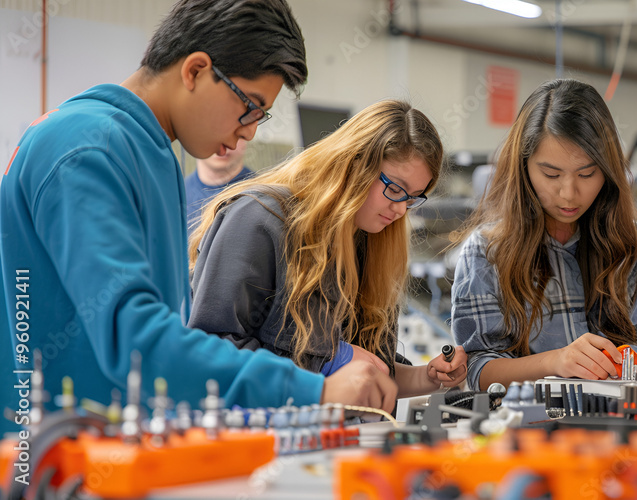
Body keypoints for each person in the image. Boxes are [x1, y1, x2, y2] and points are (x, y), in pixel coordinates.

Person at [0, 0, 392, 436]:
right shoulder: (90, 150)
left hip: (111, 443)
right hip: (51, 455)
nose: (250, 131)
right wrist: (309, 390)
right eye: (250, 106)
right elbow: (136, 340)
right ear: (196, 71)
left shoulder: (148, 151)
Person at [187, 99, 467, 398]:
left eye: (412, 198)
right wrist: (328, 363)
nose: (400, 210)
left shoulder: (369, 239)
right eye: (395, 189)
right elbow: (210, 351)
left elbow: (372, 374)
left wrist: (429, 377)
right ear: (353, 165)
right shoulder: (259, 219)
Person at [450, 79, 637, 391]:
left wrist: (629, 361)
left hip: (615, 428)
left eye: (587, 174)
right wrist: (555, 362)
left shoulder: (634, 247)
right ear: (523, 168)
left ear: (608, 171)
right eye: (551, 175)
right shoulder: (486, 253)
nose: (569, 193)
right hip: (523, 432)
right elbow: (476, 369)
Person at [185, 138, 254, 230]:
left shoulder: (263, 197)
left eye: (234, 130)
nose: (223, 142)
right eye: (210, 131)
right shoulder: (175, 196)